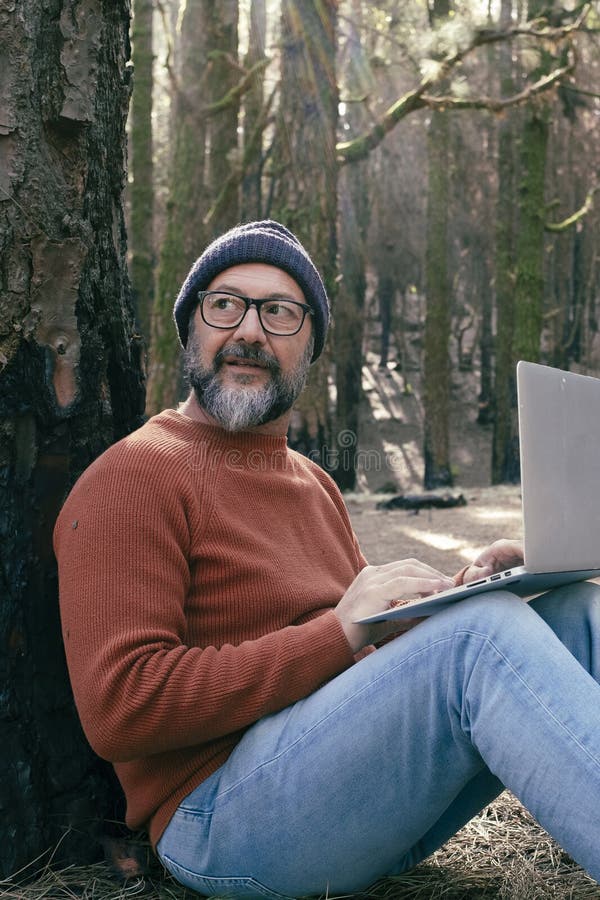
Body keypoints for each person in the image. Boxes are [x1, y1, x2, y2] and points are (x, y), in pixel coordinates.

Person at [54, 220, 600, 898]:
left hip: (346, 804)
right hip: (220, 820)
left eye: (281, 313)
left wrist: (467, 591)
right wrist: (343, 632)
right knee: (479, 641)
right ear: (190, 327)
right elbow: (121, 708)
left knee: (580, 612)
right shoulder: (136, 474)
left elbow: (360, 657)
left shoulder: (313, 482)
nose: (250, 331)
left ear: (309, 347)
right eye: (225, 305)